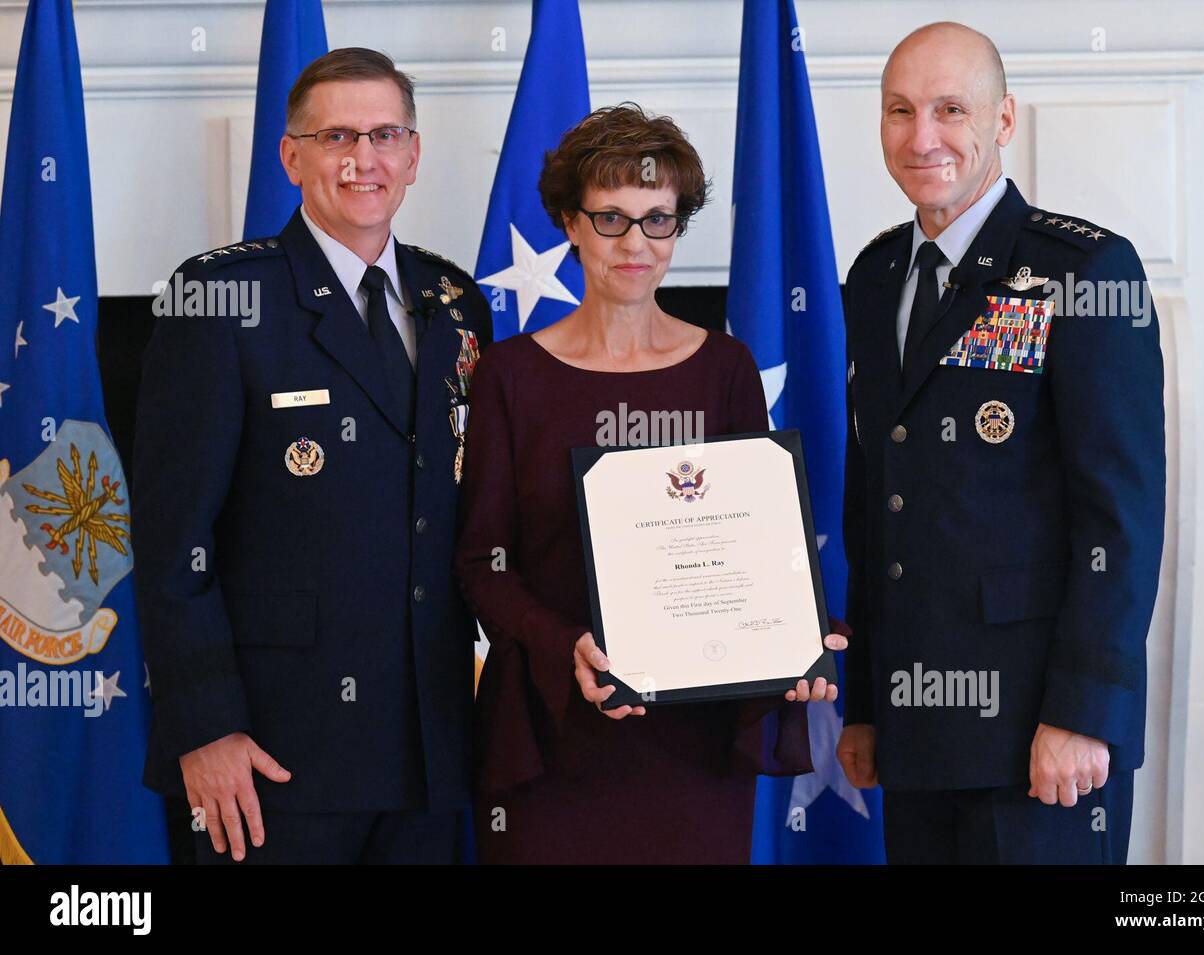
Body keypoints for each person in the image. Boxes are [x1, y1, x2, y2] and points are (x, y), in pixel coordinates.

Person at [455, 104, 845, 864]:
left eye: (658, 219)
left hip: (694, 743)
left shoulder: (726, 367)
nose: (636, 244)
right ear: (570, 223)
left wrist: (794, 644)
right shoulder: (509, 374)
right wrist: (565, 645)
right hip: (553, 728)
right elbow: (480, 564)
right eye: (611, 219)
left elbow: (757, 547)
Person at [132, 48, 492, 864]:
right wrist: (205, 725)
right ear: (291, 156)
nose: (363, 160)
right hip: (272, 752)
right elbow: (168, 534)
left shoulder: (454, 303)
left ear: (413, 155)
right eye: (336, 137)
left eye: (385, 135)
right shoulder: (221, 299)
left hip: (428, 741)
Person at [835, 22, 1165, 864]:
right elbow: (875, 501)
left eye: (952, 109)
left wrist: (1085, 711)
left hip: (1037, 733)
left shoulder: (1082, 272)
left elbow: (1120, 519)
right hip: (918, 728)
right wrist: (867, 704)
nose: (923, 137)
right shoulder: (873, 280)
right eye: (900, 111)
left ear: (1005, 119)